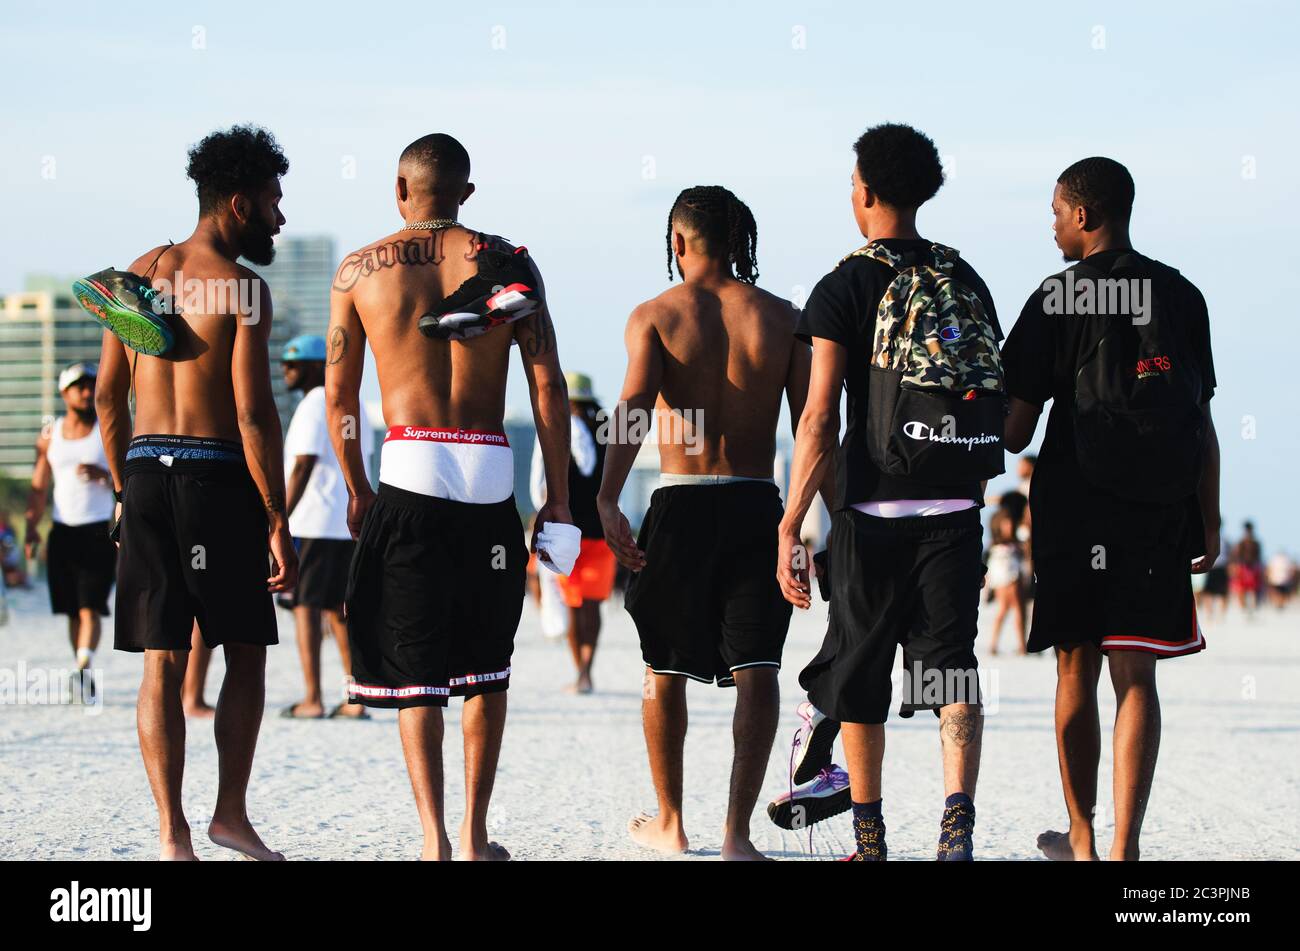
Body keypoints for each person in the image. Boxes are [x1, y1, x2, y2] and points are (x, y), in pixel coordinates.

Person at [326, 132, 572, 861]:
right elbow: (548, 385)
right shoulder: (507, 262)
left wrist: (357, 485)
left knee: (417, 672)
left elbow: (340, 398)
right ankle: (473, 835)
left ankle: (433, 838)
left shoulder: (357, 271)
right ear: (466, 193)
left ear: (400, 190)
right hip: (489, 468)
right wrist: (558, 498)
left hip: (411, 465)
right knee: (486, 667)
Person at [778, 124, 1001, 861]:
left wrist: (791, 523)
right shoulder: (964, 279)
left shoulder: (844, 285)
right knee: (951, 667)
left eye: (852, 184)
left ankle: (870, 842)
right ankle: (956, 829)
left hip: (872, 512)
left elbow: (818, 418)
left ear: (867, 192)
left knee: (861, 677)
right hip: (956, 509)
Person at [1001, 157, 1220, 861]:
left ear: (1084, 214)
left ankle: (1083, 839)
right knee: (1137, 675)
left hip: (1075, 508)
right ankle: (1126, 849)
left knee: (1075, 672)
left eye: (1056, 212)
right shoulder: (1181, 295)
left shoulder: (1056, 297)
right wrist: (1209, 519)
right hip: (1158, 510)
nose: (1053, 226)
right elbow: (1201, 419)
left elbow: (1015, 431)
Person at [598, 185, 823, 861]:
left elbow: (634, 406)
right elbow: (813, 430)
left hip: (681, 504)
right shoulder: (785, 318)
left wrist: (607, 496)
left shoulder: (656, 315)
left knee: (662, 666)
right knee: (758, 668)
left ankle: (670, 821)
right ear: (739, 241)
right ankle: (736, 834)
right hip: (758, 506)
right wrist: (806, 524)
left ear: (677, 241)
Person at [96, 125, 297, 860]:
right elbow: (252, 412)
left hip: (146, 473)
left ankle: (172, 835)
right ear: (239, 204)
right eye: (272, 202)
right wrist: (275, 517)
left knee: (162, 658)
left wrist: (125, 491)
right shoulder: (243, 289)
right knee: (245, 649)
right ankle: (229, 816)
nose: (280, 217)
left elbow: (108, 398)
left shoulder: (138, 273)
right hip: (216, 475)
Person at [278, 334, 372, 719]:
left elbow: (303, 464)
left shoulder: (314, 403)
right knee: (340, 611)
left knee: (306, 607)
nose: (286, 369)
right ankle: (356, 697)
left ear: (318, 366)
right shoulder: (354, 404)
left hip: (312, 521)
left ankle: (312, 698)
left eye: (294, 364)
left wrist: (278, 519)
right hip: (345, 522)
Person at [24, 362, 118, 700]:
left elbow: (128, 478)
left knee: (90, 605)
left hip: (98, 529)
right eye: (80, 386)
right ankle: (81, 667)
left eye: (91, 385)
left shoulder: (107, 431)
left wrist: (104, 476)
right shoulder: (51, 435)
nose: (87, 392)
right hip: (62, 531)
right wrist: (31, 527)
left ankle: (83, 666)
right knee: (71, 609)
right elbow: (39, 486)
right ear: (64, 393)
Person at [531, 371, 617, 693]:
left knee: (572, 603)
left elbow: (539, 481)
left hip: (567, 530)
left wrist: (541, 512)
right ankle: (585, 671)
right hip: (600, 530)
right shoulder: (607, 428)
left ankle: (580, 671)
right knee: (591, 604)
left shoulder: (555, 427)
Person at [986, 492, 1028, 656]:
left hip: (1007, 572)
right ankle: (1014, 645)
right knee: (1010, 608)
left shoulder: (1010, 543)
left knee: (1010, 609)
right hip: (1005, 573)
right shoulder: (1000, 545)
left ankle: (1007, 644)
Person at [1230, 521, 1263, 615]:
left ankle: (1251, 609)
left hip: (1252, 567)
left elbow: (1258, 556)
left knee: (1252, 589)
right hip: (1244, 566)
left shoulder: (1254, 542)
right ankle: (1244, 609)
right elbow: (1236, 556)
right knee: (1242, 589)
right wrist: (1235, 567)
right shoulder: (1243, 542)